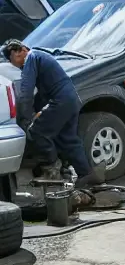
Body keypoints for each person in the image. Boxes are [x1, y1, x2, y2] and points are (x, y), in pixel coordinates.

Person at [2, 39, 100, 185]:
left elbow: (26, 92)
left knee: (37, 131)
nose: (14, 64)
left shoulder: (31, 58)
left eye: (12, 59)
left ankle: (52, 170)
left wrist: (26, 119)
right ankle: (86, 173)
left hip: (60, 100)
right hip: (71, 99)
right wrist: (35, 110)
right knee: (67, 138)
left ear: (21, 50)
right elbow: (40, 95)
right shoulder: (40, 57)